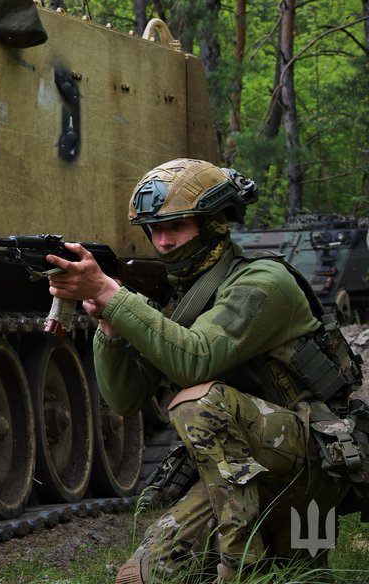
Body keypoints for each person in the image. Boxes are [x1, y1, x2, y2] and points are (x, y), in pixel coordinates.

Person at [44, 158, 359, 583]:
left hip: (315, 466)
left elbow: (196, 359)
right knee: (141, 578)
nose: (164, 241)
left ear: (214, 222)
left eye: (176, 227)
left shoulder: (263, 283)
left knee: (198, 402)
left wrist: (111, 293)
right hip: (240, 471)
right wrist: (110, 326)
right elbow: (125, 398)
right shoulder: (180, 296)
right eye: (154, 230)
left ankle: (240, 563)